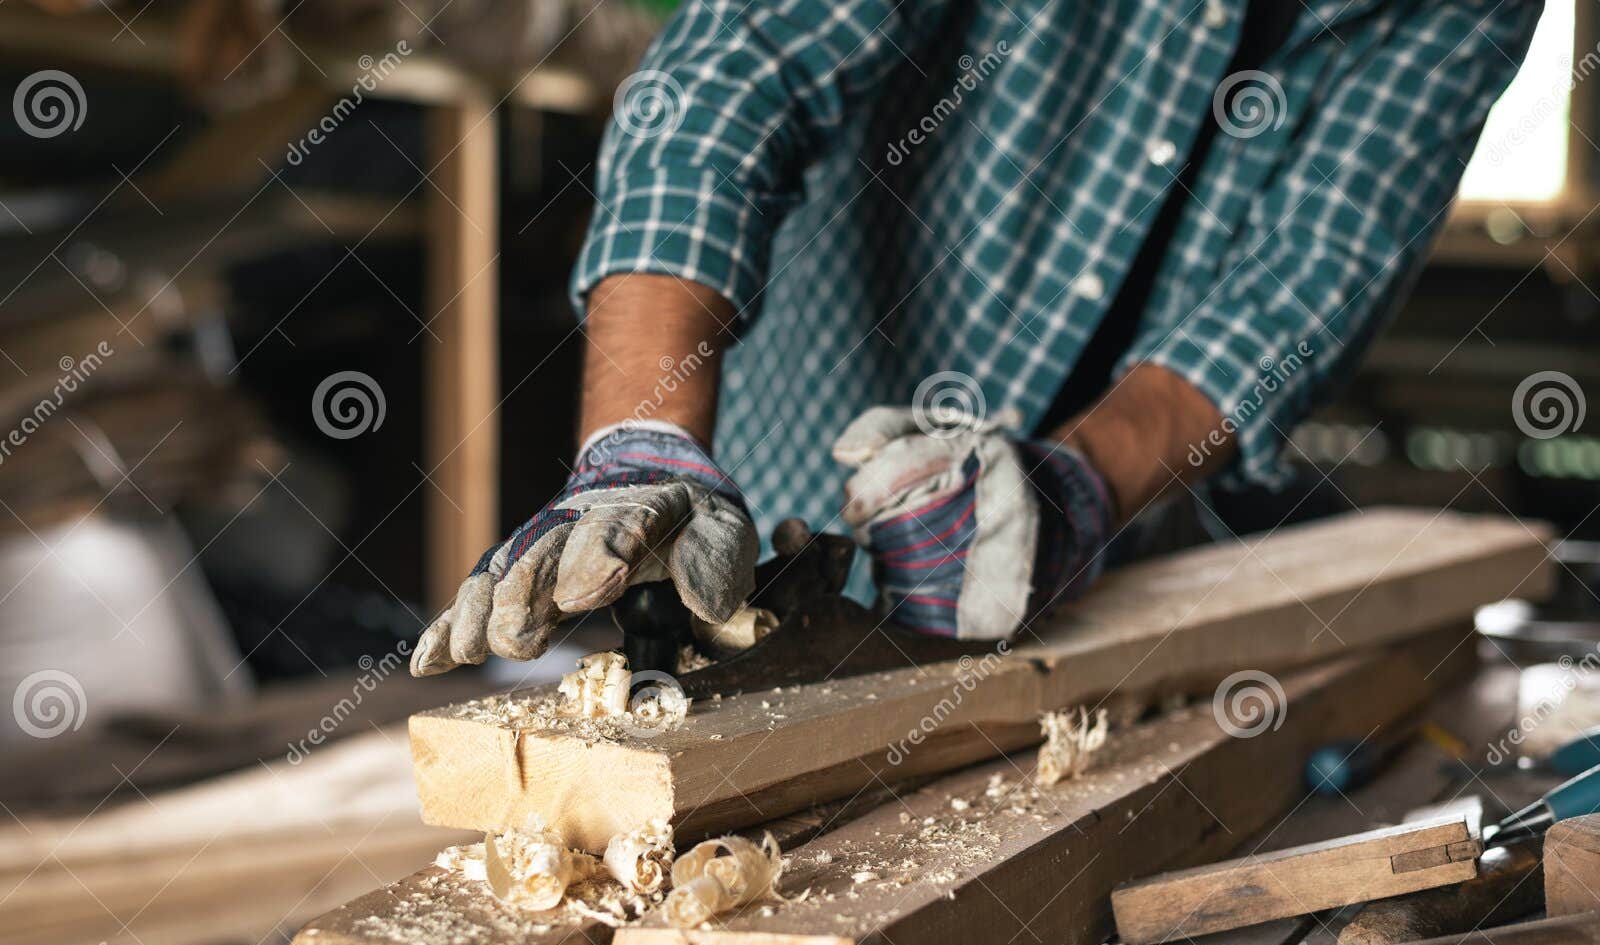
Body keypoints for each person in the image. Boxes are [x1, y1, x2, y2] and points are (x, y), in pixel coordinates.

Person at [412, 0, 1541, 675]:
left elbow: (1309, 271)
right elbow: (739, 66)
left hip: (1101, 571)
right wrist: (641, 433)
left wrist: (1073, 492)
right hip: (781, 448)